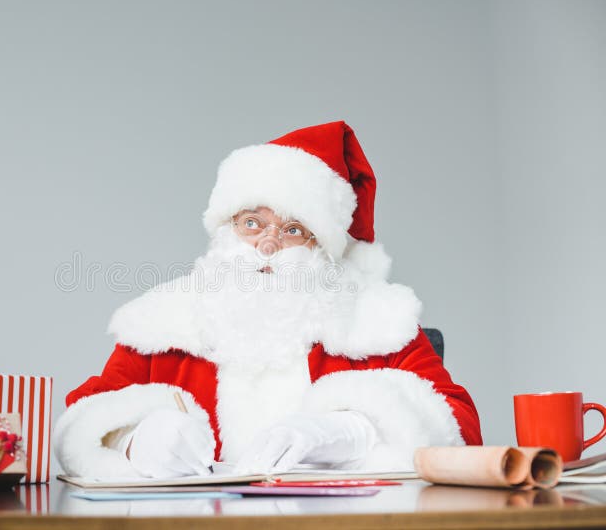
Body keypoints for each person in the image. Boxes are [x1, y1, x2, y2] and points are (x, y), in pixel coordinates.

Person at [53, 120, 482, 479]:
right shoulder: (165, 322)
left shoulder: (373, 320)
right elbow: (84, 420)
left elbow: (460, 423)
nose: (268, 245)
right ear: (226, 228)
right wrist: (133, 439)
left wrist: (351, 430)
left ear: (323, 249)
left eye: (293, 230)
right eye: (253, 222)